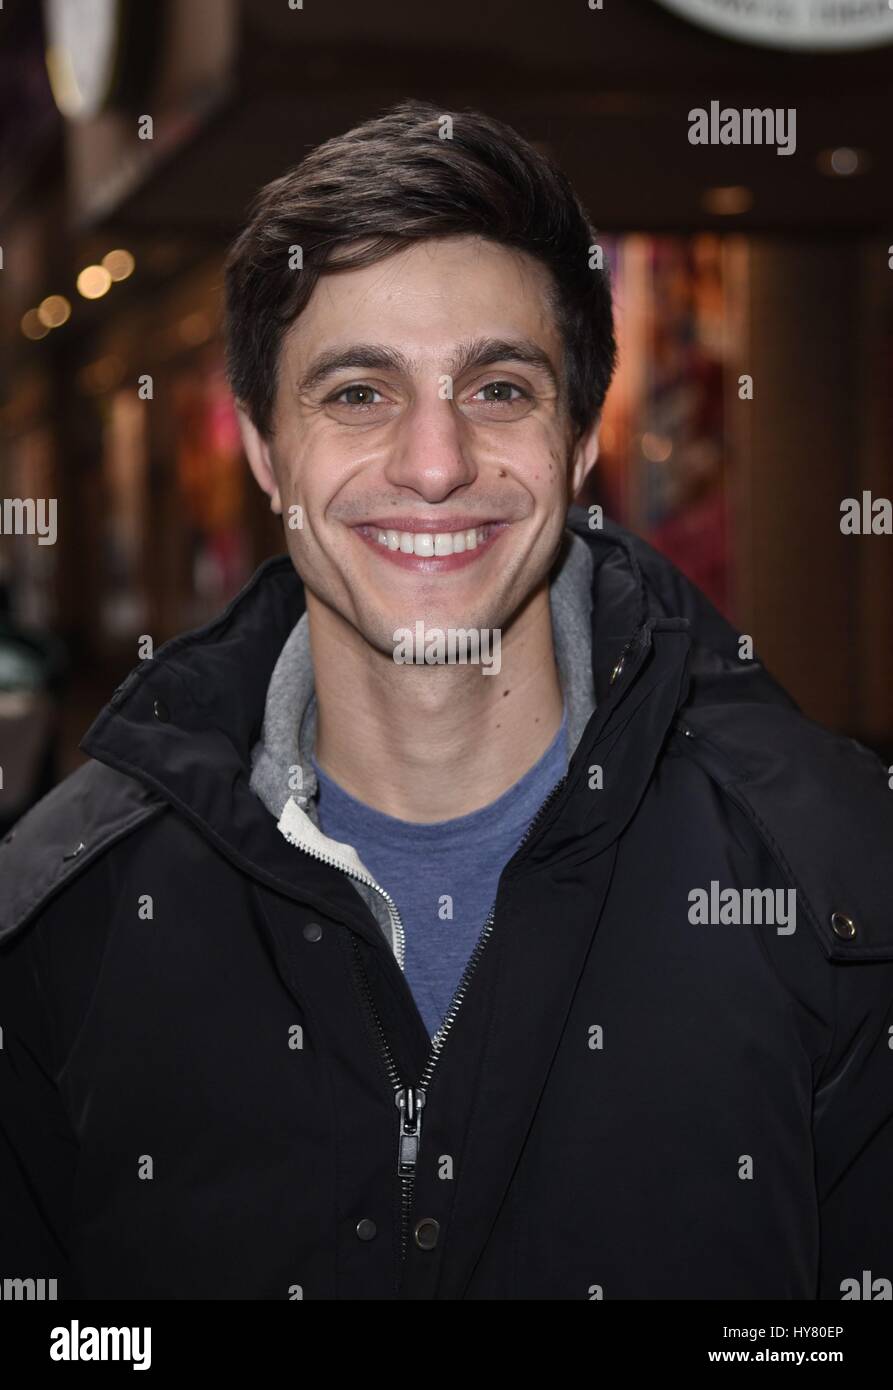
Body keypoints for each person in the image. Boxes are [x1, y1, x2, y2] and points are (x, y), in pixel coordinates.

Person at [1, 100, 891, 1302]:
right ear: (266, 452)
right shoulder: (66, 907)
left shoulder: (833, 876)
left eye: (499, 389)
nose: (434, 464)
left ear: (578, 442)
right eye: (357, 393)